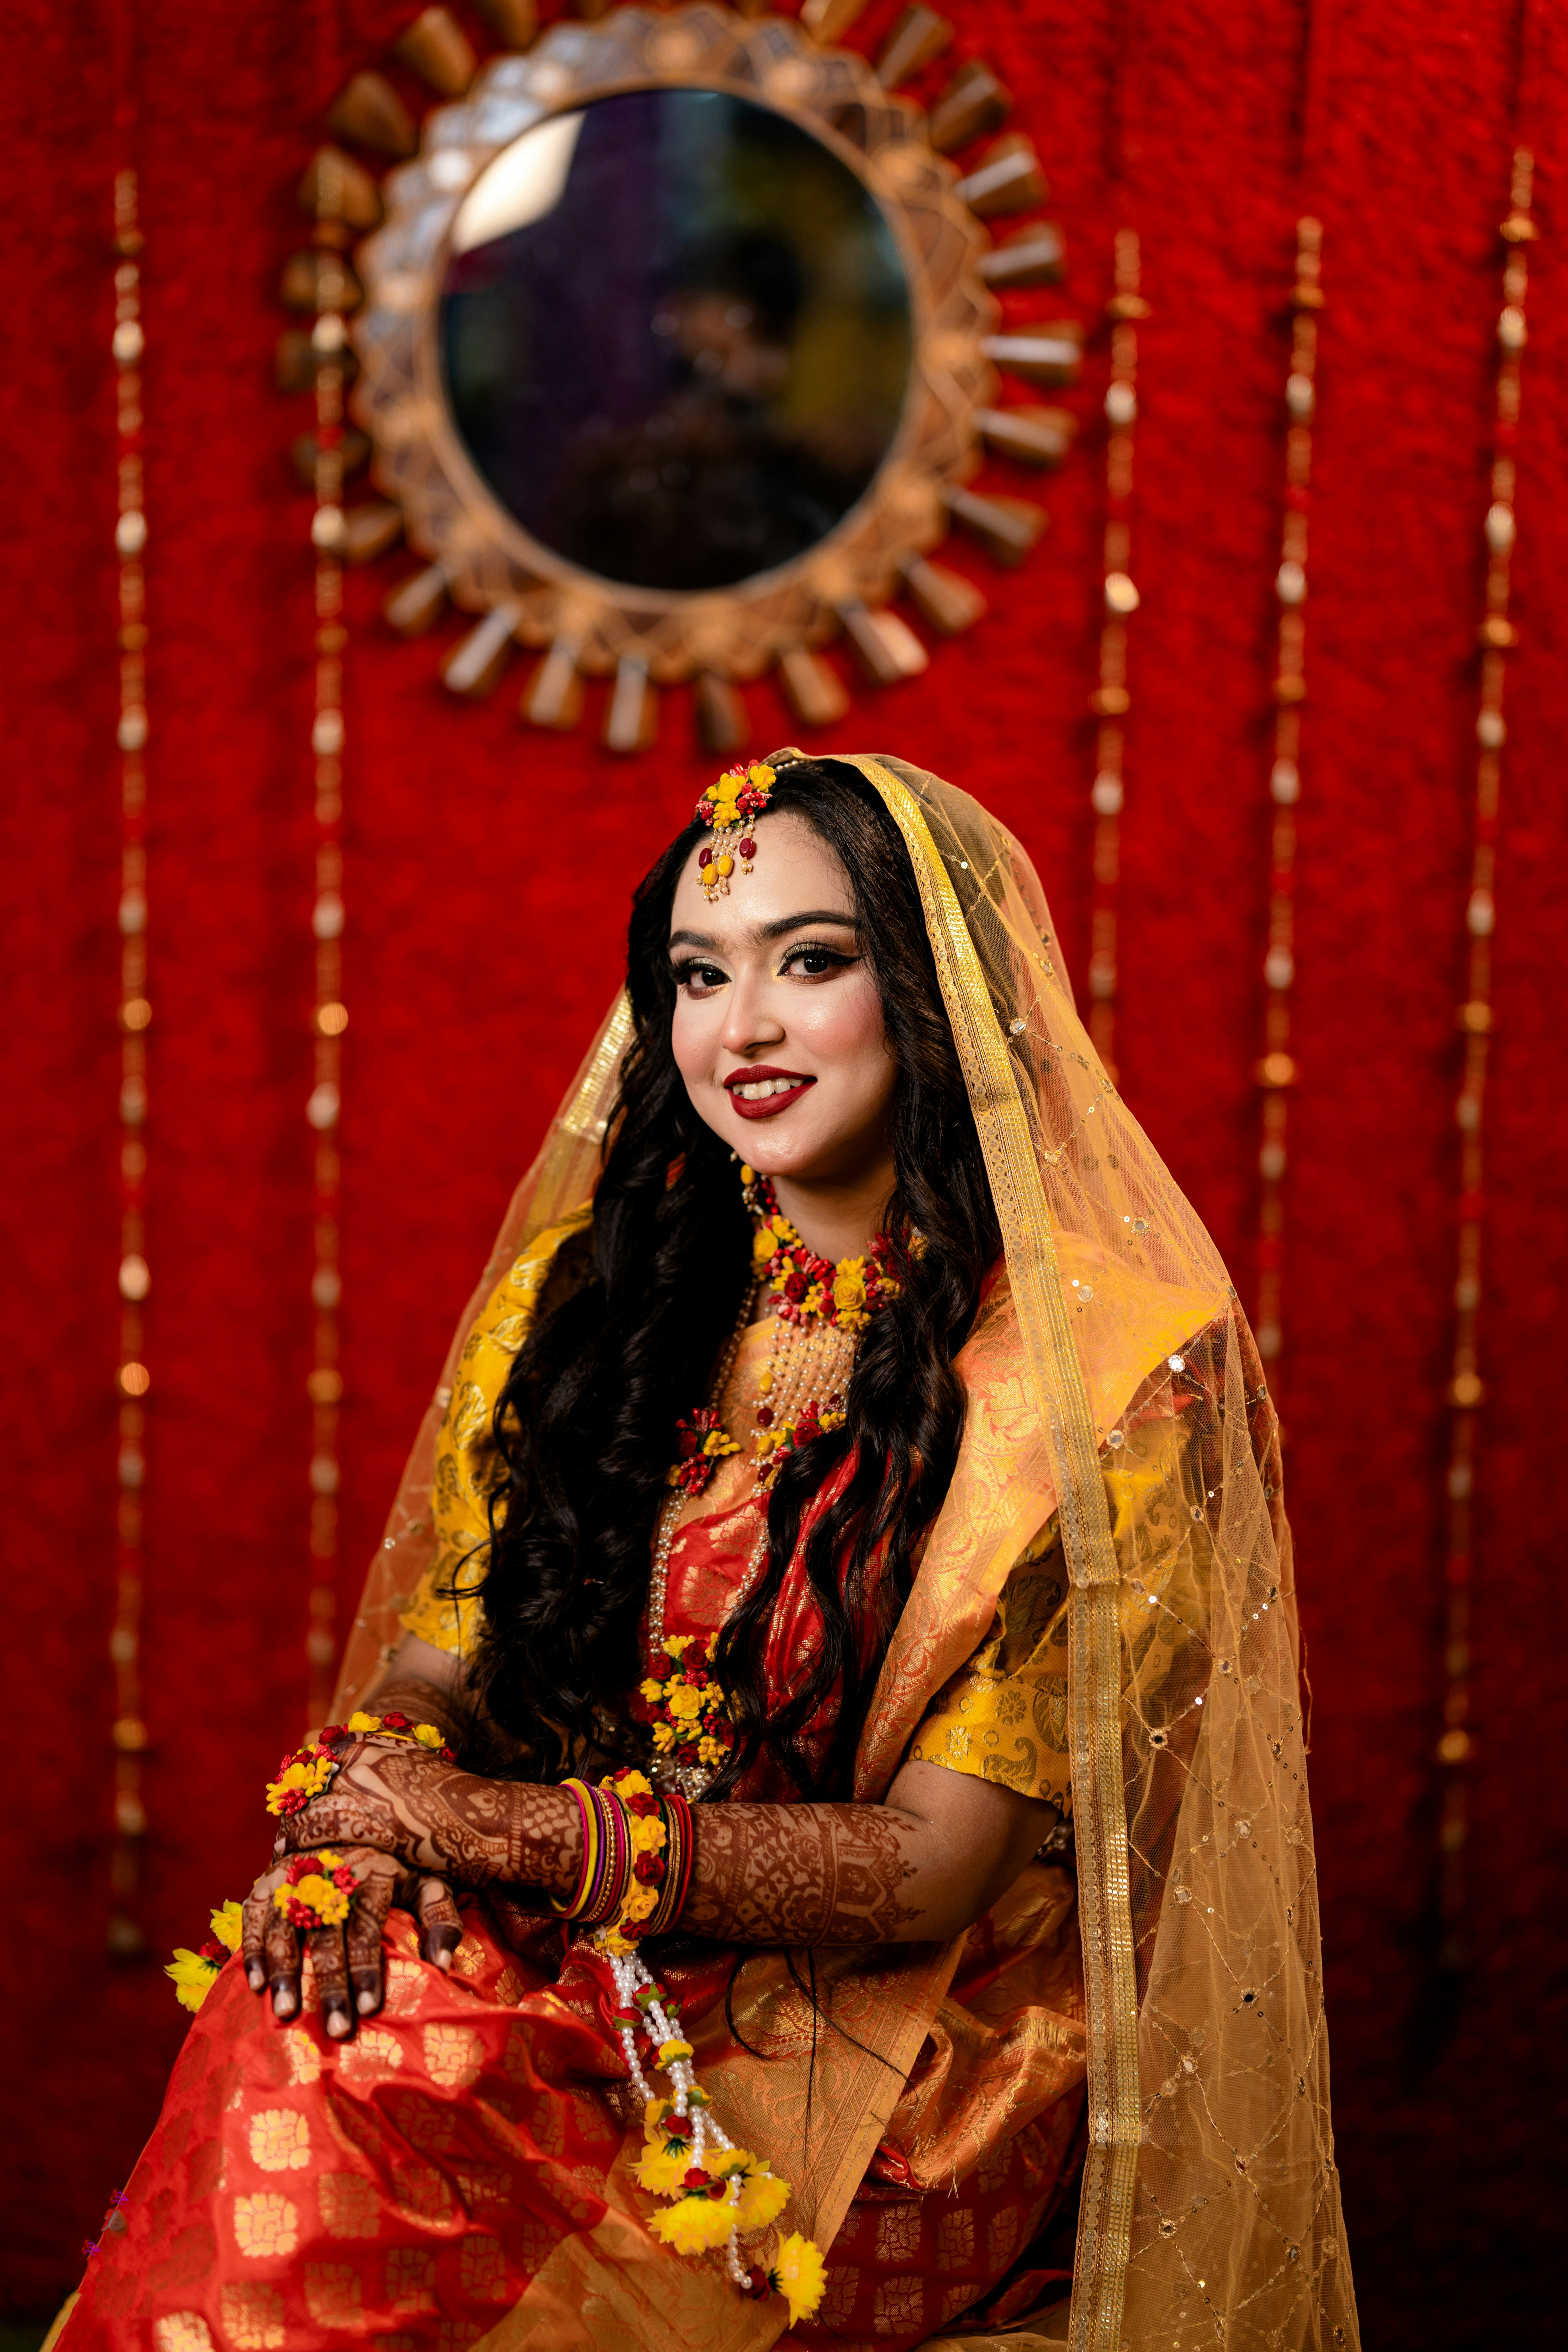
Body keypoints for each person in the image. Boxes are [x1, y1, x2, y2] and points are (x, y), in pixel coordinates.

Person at [58, 754, 1358, 2352]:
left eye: (811, 961)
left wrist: (494, 1831)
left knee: (375, 2055)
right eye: (696, 974)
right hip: (598, 1958)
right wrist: (375, 1819)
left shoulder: (1106, 1375)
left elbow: (935, 1866)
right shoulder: (585, 1301)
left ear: (940, 989)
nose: (738, 1028)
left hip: (904, 2053)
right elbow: (439, 1657)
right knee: (321, 1987)